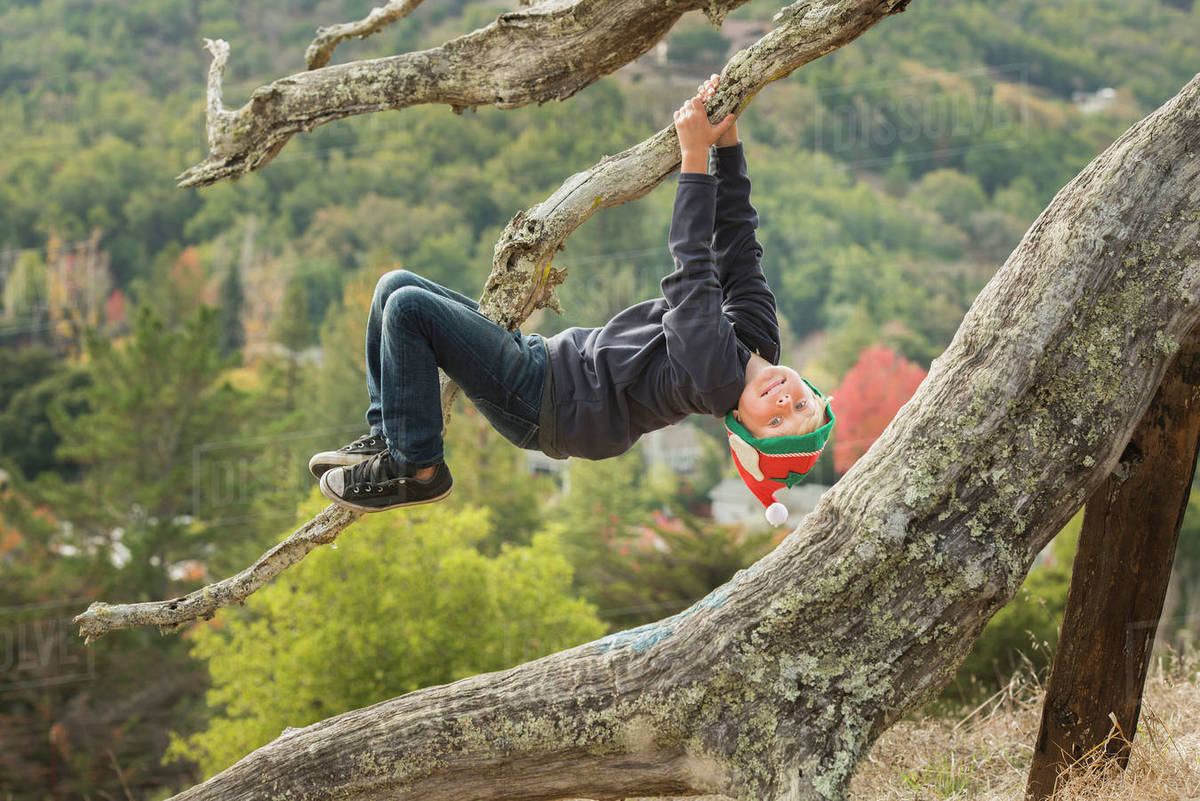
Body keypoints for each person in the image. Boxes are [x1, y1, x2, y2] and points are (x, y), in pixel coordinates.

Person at [310, 75, 834, 525]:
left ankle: (418, 467)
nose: (786, 404)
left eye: (777, 423)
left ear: (742, 423)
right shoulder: (759, 339)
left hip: (549, 405)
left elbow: (694, 270)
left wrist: (694, 158)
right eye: (802, 405)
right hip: (554, 365)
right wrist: (728, 145)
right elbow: (739, 245)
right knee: (394, 286)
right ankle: (389, 435)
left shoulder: (714, 375)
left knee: (407, 312)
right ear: (808, 385)